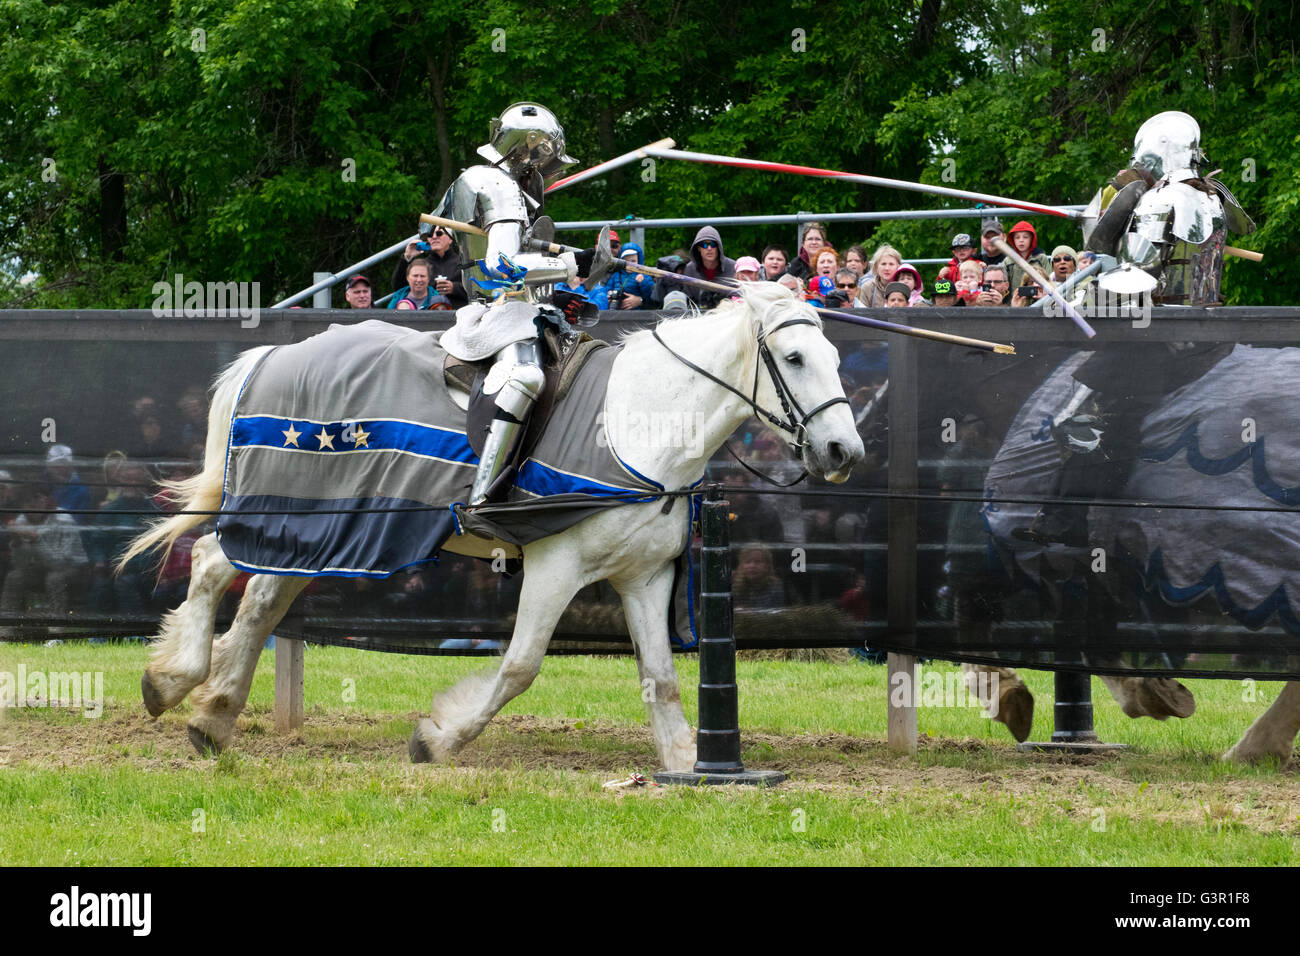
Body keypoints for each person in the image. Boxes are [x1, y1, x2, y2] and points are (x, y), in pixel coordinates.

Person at [1016, 110, 1256, 544]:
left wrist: (1095, 275)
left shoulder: (1162, 198)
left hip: (1158, 335)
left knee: (1084, 417)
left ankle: (1072, 520)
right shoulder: (1214, 194)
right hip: (1202, 325)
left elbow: (1138, 274)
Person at [416, 102, 617, 504]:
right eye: (548, 164)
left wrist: (587, 265)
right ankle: (485, 497)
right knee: (524, 377)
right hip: (497, 310)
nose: (549, 174)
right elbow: (500, 266)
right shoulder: (496, 185)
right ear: (529, 153)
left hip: (523, 307)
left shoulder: (500, 187)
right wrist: (569, 263)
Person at [390, 224, 468, 309]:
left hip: (459, 314)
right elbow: (398, 287)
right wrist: (407, 257)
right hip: (429, 316)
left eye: (439, 234)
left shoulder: (463, 262)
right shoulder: (423, 265)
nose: (434, 237)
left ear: (450, 239)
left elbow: (476, 291)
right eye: (430, 234)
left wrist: (454, 288)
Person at [676, 226, 736, 306]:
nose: (709, 248)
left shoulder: (733, 267)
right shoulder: (689, 269)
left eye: (713, 244)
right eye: (704, 245)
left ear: (718, 247)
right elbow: (689, 299)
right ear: (698, 248)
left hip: (728, 313)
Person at [1003, 220, 1052, 291]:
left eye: (1025, 237)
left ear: (1032, 239)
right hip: (1015, 300)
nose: (1021, 240)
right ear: (1013, 240)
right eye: (1017, 237)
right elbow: (1003, 285)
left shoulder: (1041, 258)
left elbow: (1049, 281)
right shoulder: (1008, 261)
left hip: (1038, 299)